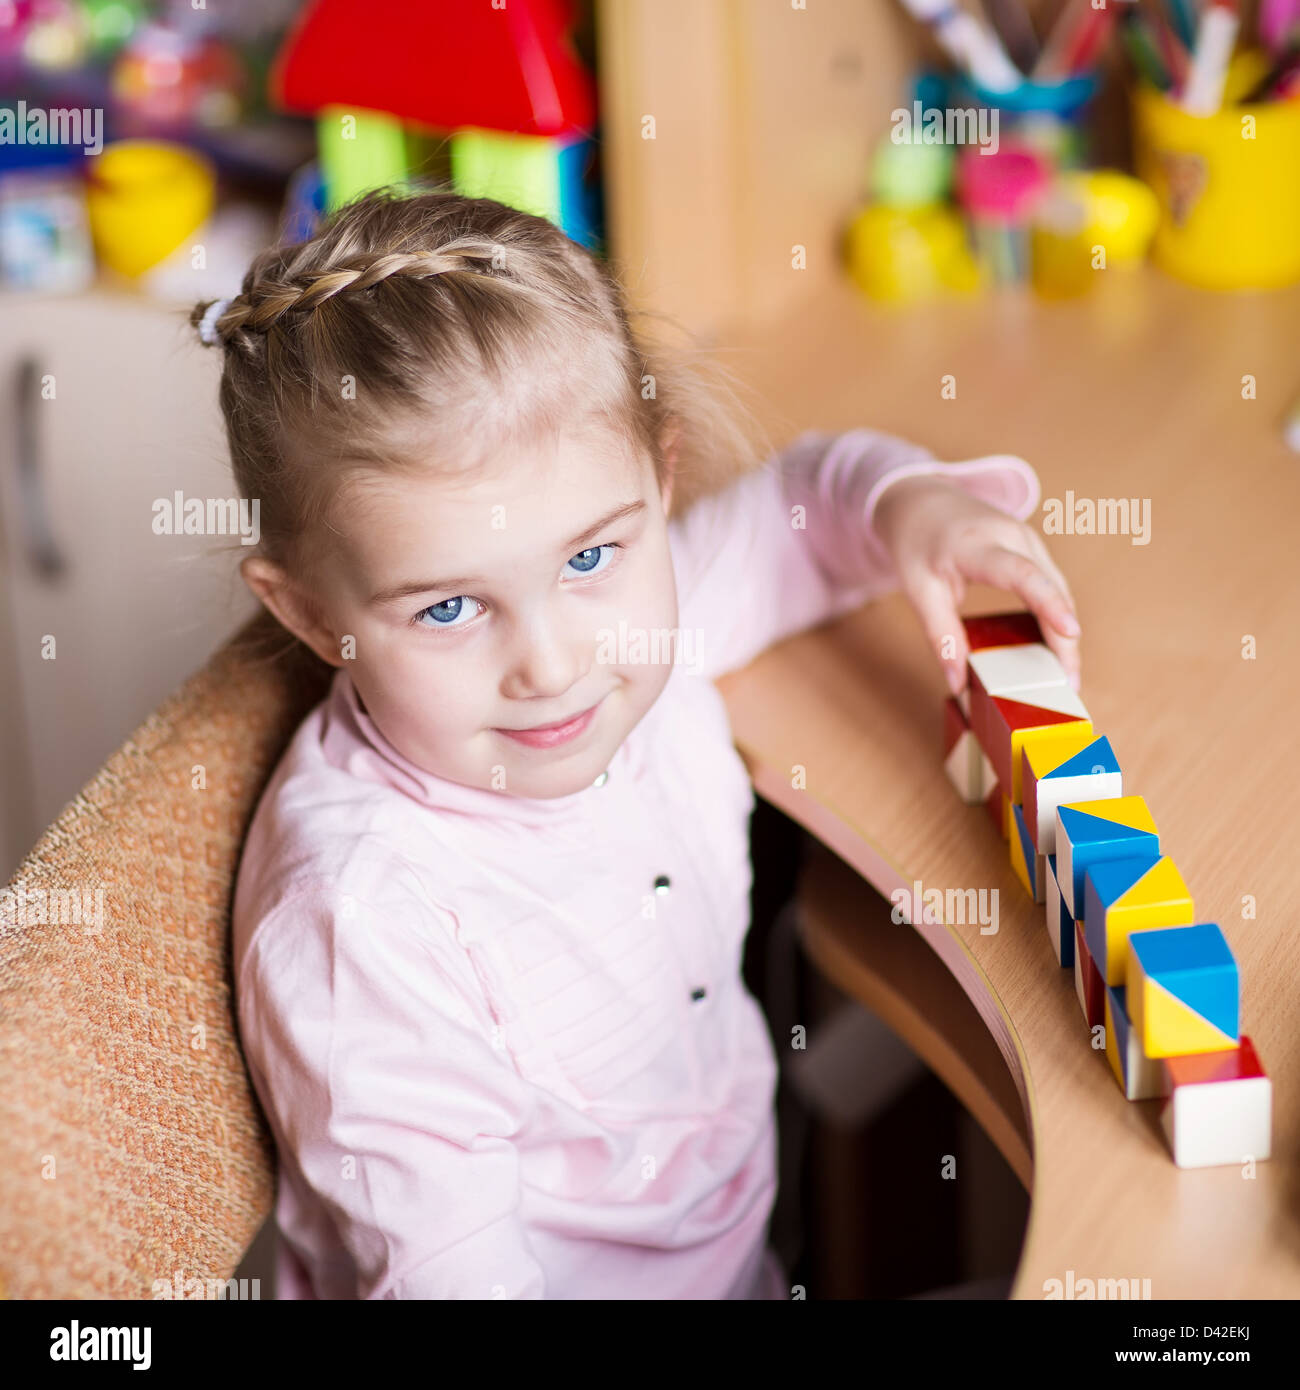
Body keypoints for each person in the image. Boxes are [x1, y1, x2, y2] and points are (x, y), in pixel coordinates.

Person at [203, 187, 1080, 1300]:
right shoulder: (367, 922)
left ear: (659, 489)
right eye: (446, 611)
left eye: (587, 558)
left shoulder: (638, 626)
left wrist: (914, 508)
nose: (554, 664)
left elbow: (806, 506)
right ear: (304, 611)